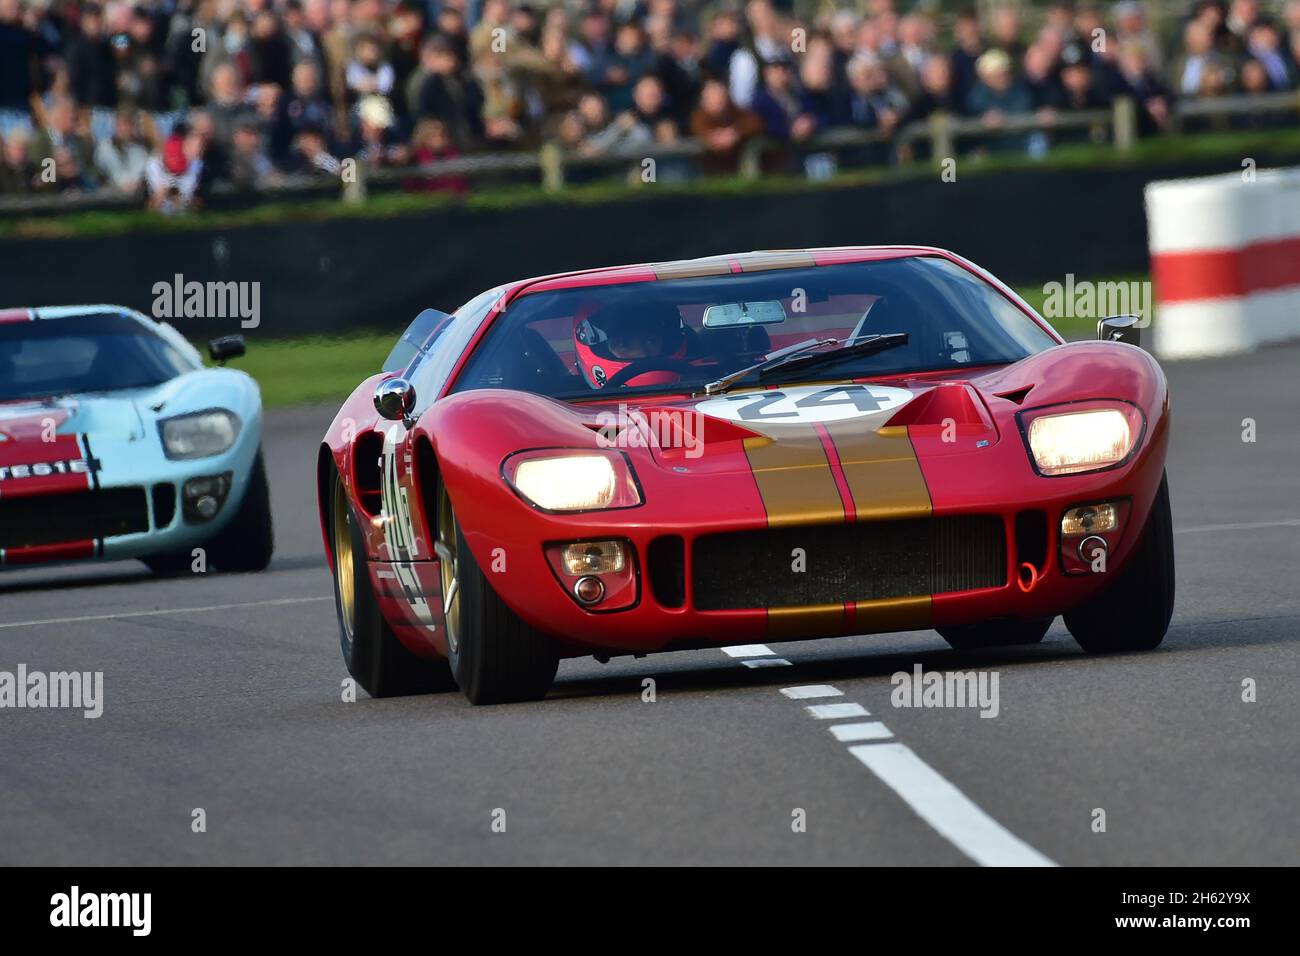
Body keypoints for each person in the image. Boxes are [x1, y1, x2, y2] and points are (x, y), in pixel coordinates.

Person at [573, 302, 687, 389]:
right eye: (624, 345)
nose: (642, 354)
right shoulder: (564, 410)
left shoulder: (699, 384)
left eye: (651, 341)